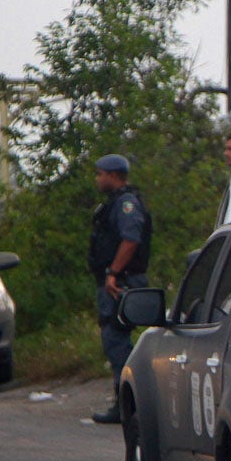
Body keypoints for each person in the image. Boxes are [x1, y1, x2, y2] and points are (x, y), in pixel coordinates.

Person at [87, 154, 152, 425]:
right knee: (115, 338)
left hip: (121, 282)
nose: (97, 179)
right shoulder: (115, 204)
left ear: (113, 175)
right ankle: (127, 402)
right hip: (117, 280)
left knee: (116, 340)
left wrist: (114, 273)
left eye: (100, 174)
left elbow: (130, 239)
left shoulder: (126, 204)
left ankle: (127, 404)